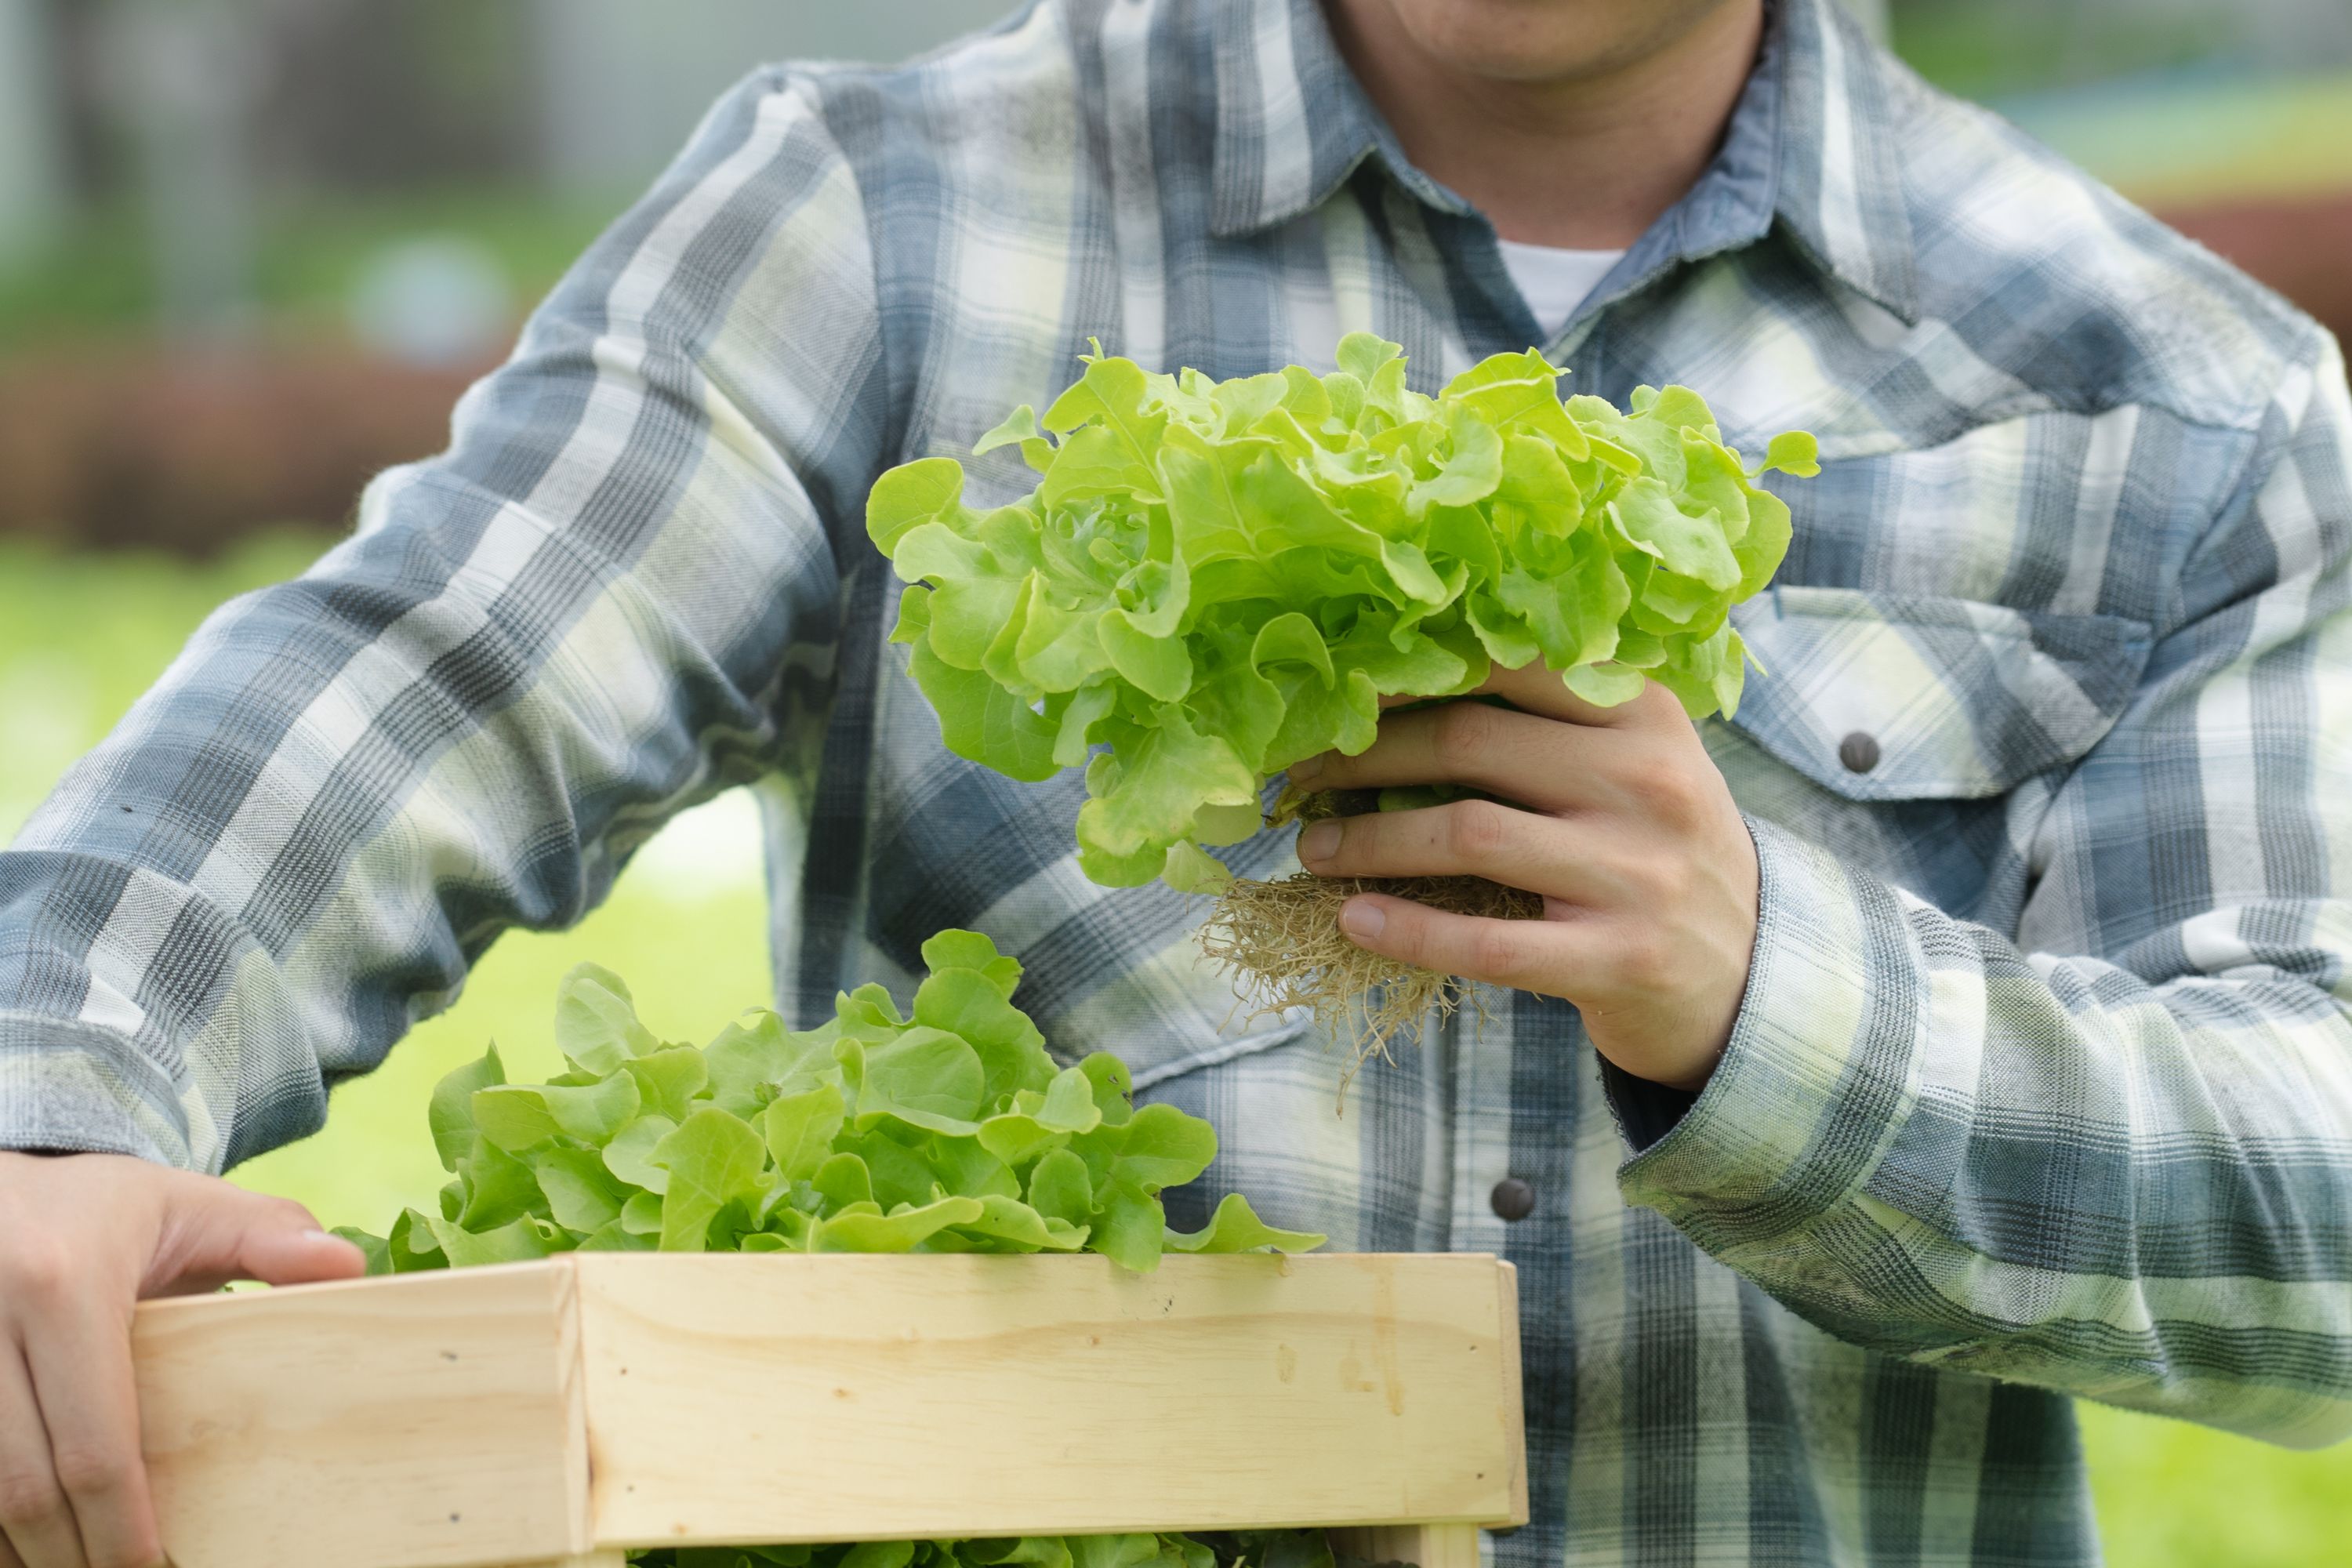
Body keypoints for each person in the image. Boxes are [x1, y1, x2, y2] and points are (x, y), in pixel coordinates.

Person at [5, 0, 2351, 1562]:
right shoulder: (893, 216)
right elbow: (437, 669)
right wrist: (51, 1096)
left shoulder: (2174, 403)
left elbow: (2315, 1219)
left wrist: (1769, 1009)